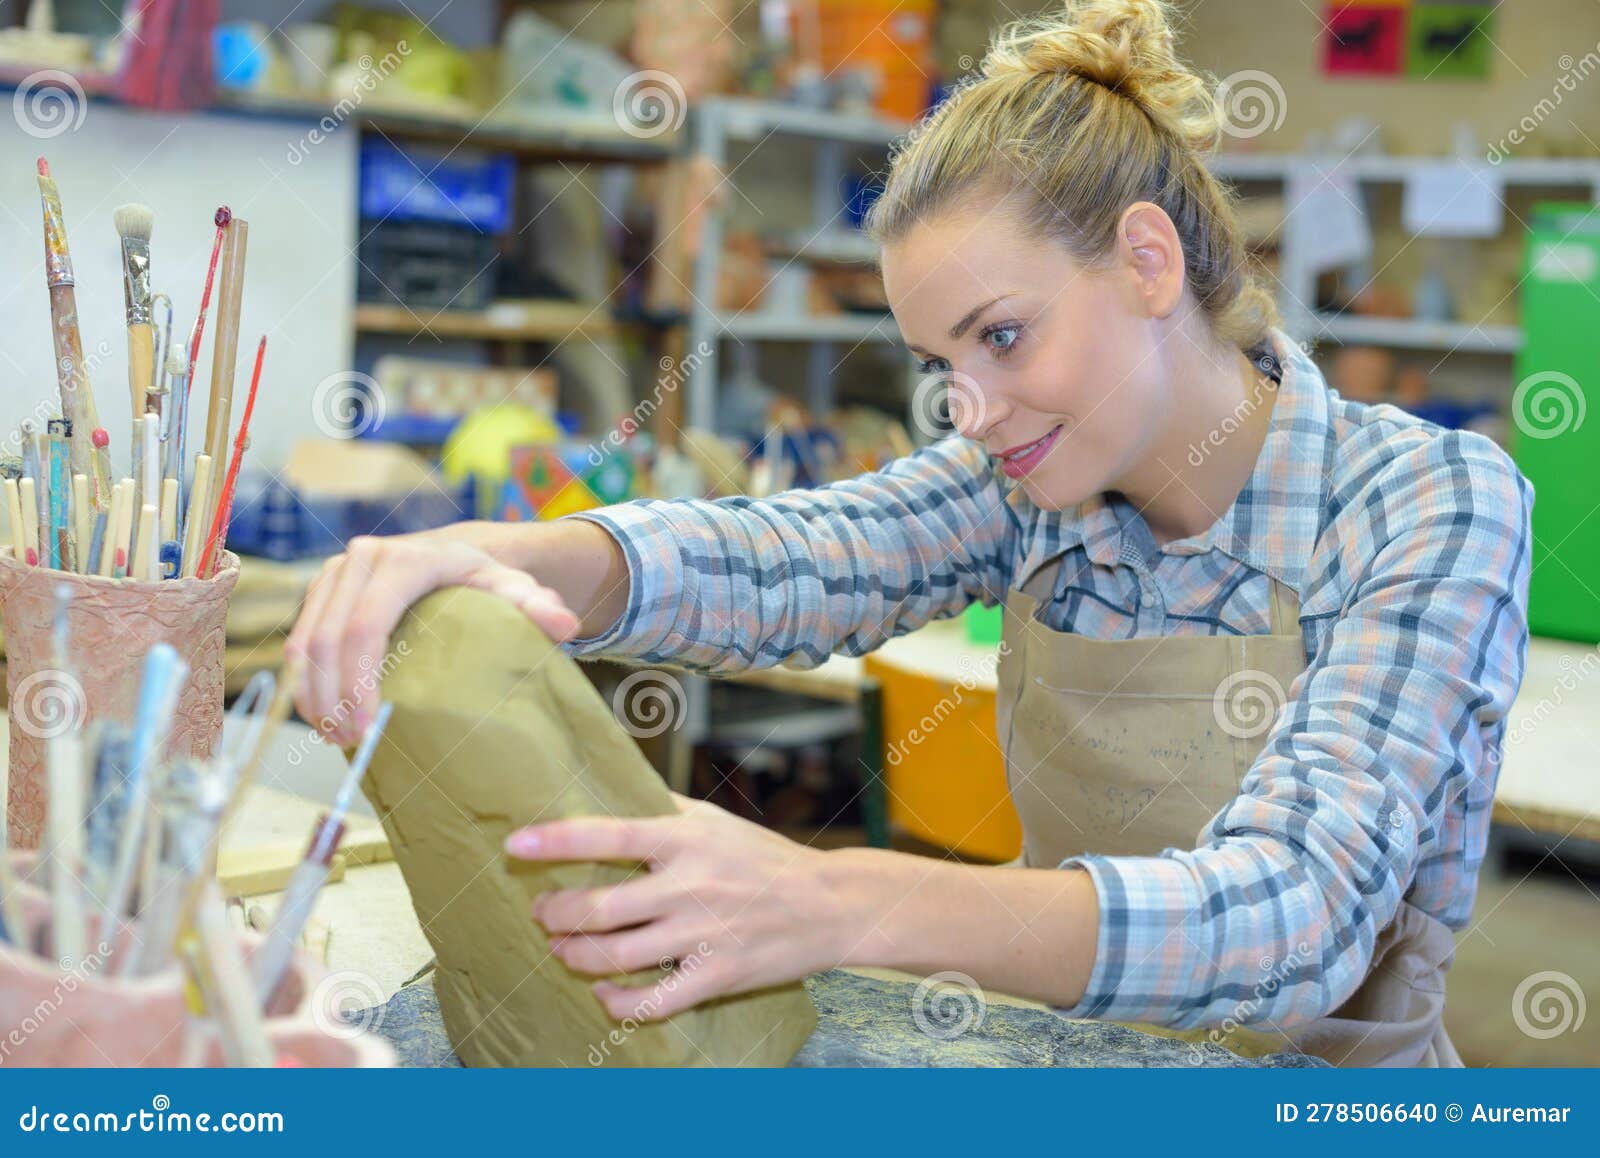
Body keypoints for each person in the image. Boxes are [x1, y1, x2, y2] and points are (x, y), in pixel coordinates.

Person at [287, 0, 1532, 1066]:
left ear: (1148, 263)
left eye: (1002, 336)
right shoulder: (1027, 484)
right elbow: (792, 557)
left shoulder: (1425, 502)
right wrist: (506, 554)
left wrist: (831, 899)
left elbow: (1295, 918)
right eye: (942, 364)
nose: (972, 410)